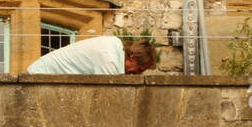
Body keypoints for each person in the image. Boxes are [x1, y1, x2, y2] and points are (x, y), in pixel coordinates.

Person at [25, 34, 157, 75]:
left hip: (40, 72)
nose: (138, 75)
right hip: (39, 76)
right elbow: (109, 95)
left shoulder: (113, 43)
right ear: (133, 58)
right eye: (139, 70)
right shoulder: (109, 60)